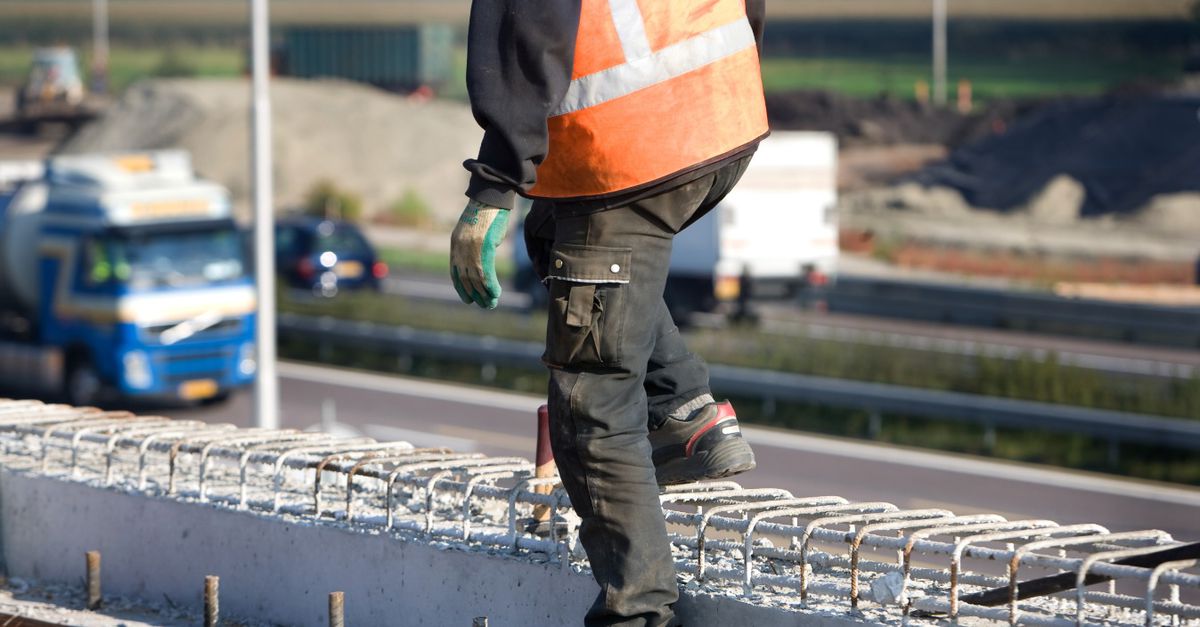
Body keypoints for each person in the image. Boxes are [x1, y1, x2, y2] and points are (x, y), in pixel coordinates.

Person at [449, 1, 768, 625]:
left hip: (631, 143)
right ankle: (684, 413)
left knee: (593, 403)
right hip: (722, 112)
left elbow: (530, 22)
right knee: (556, 235)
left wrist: (493, 186)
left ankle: (638, 612)